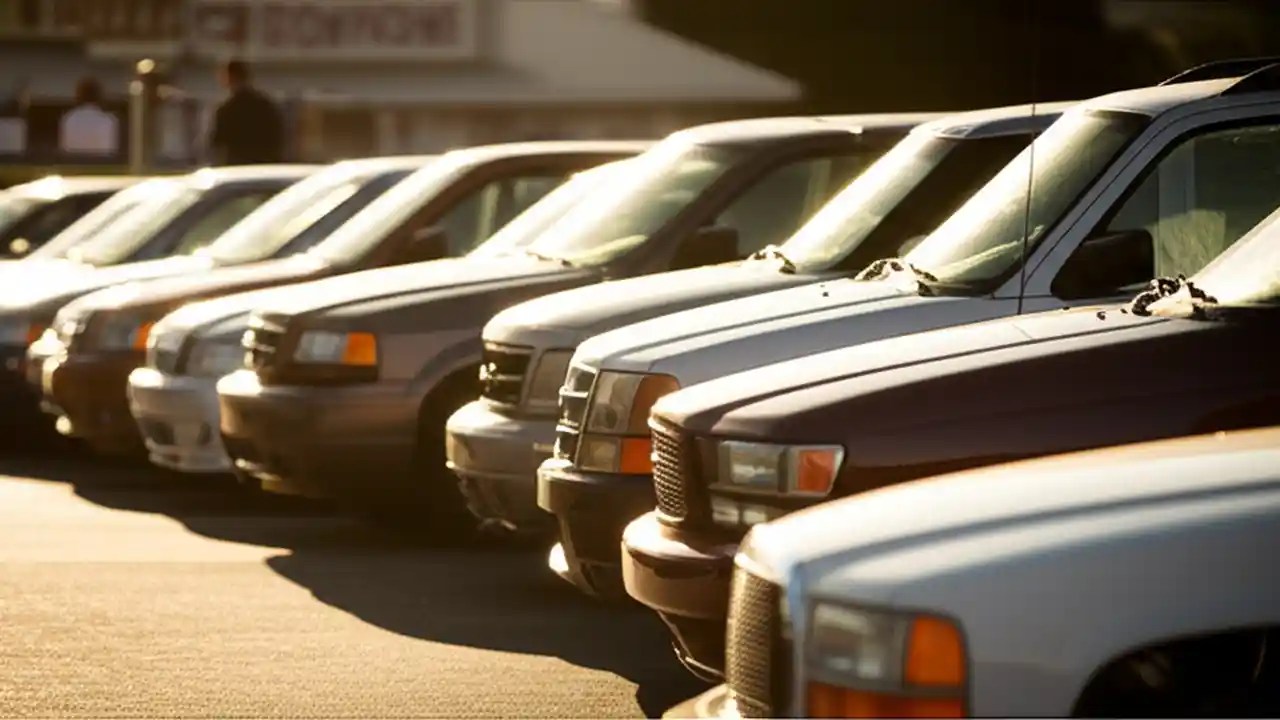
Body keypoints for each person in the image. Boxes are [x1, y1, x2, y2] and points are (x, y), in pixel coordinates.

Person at [208, 59, 284, 165]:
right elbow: (278, 136)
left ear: (229, 77)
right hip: (265, 166)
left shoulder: (227, 109)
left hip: (237, 168)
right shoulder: (266, 105)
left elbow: (216, 142)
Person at [59, 77, 119, 156]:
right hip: (102, 165)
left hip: (74, 165)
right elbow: (112, 151)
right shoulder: (110, 120)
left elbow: (64, 150)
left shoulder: (68, 118)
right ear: (100, 96)